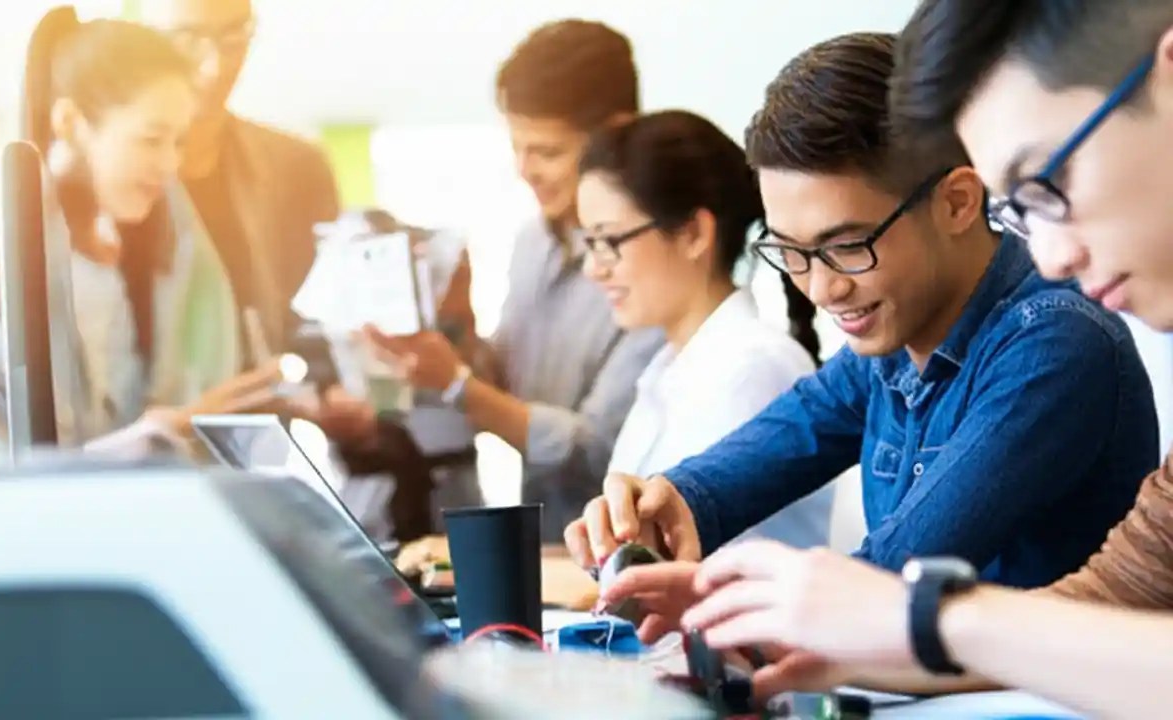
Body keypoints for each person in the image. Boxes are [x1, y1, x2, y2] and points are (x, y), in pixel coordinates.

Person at [611, 5, 1173, 717]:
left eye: (1047, 183)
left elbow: (900, 583)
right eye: (792, 254)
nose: (820, 287)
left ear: (959, 204)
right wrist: (681, 501)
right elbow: (1111, 606)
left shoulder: (1059, 338)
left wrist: (874, 619)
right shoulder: (894, 341)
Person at [0, 8, 288, 473]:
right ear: (71, 122)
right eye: (152, 139)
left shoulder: (134, 271)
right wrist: (156, 436)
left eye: (178, 142)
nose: (171, 165)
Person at [367, 20, 666, 540]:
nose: (525, 171)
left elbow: (598, 455)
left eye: (548, 152)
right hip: (547, 550)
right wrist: (455, 329)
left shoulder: (654, 266)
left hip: (621, 562)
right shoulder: (534, 241)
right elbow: (508, 388)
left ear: (616, 133)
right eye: (517, 147)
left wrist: (458, 385)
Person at [577, 110, 832, 549]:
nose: (592, 268)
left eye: (610, 241)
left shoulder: (752, 368)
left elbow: (696, 569)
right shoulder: (670, 367)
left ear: (693, 233)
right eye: (588, 242)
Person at [137, 0, 339, 356]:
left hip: (275, 402)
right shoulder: (100, 178)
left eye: (234, 37)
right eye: (187, 38)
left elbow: (327, 320)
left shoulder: (298, 167)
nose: (215, 67)